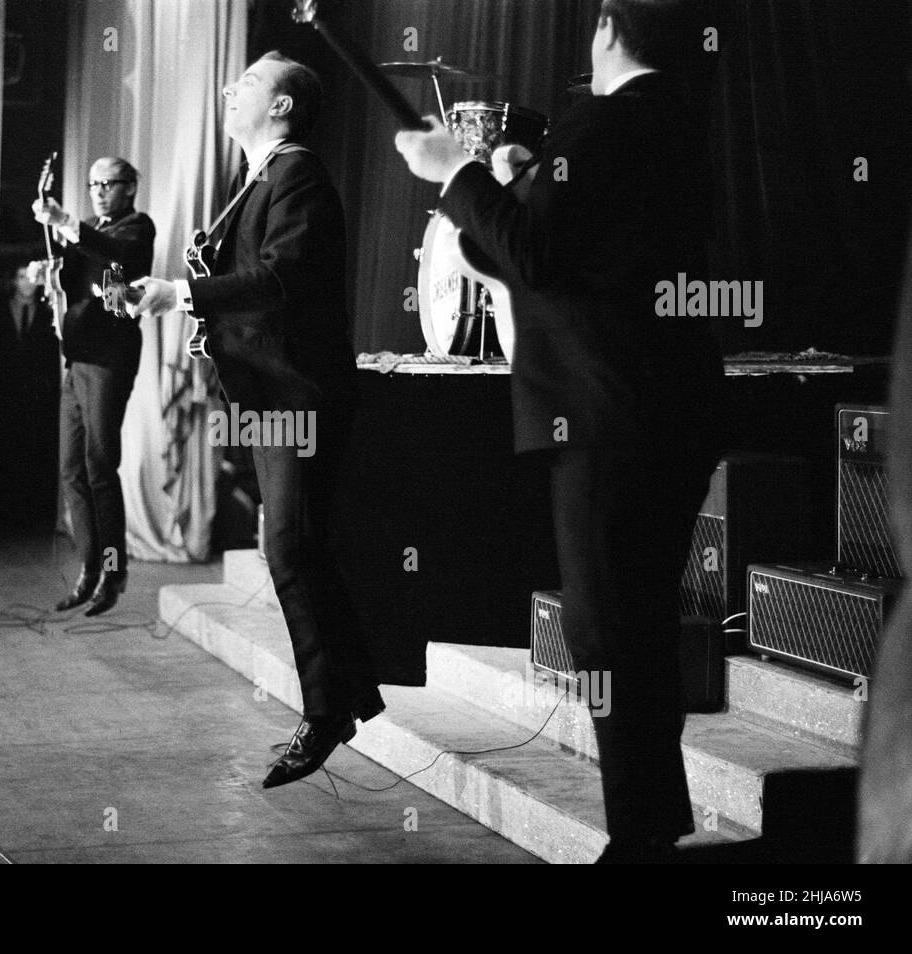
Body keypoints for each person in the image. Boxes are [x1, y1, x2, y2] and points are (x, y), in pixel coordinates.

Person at [396, 0, 724, 861]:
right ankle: (649, 824)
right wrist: (529, 179)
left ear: (608, 29)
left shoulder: (606, 119)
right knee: (634, 624)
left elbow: (530, 257)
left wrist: (456, 173)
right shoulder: (679, 126)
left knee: (608, 632)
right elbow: (571, 250)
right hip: (670, 411)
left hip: (608, 417)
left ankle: (641, 835)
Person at [132, 52, 385, 789]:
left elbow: (281, 279)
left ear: (280, 108)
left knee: (289, 548)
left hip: (296, 394)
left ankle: (328, 707)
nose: (226, 89)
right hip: (269, 395)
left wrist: (182, 294)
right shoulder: (260, 179)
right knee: (300, 547)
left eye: (244, 83)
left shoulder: (296, 172)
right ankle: (345, 694)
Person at [30, 157, 154, 616]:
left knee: (100, 467)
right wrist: (44, 275)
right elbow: (78, 280)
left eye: (109, 183)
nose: (100, 190)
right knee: (71, 469)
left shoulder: (136, 228)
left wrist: (66, 222)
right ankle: (87, 569)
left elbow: (117, 272)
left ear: (130, 187)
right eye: (93, 183)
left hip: (108, 361)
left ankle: (112, 569)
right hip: (76, 358)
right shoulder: (92, 231)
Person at [0, 262, 61, 530]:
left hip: (37, 399)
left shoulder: (49, 312)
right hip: (4, 396)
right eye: (21, 277)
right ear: (14, 281)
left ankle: (31, 516)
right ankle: (2, 515)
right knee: (4, 454)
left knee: (34, 455)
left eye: (31, 278)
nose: (26, 283)